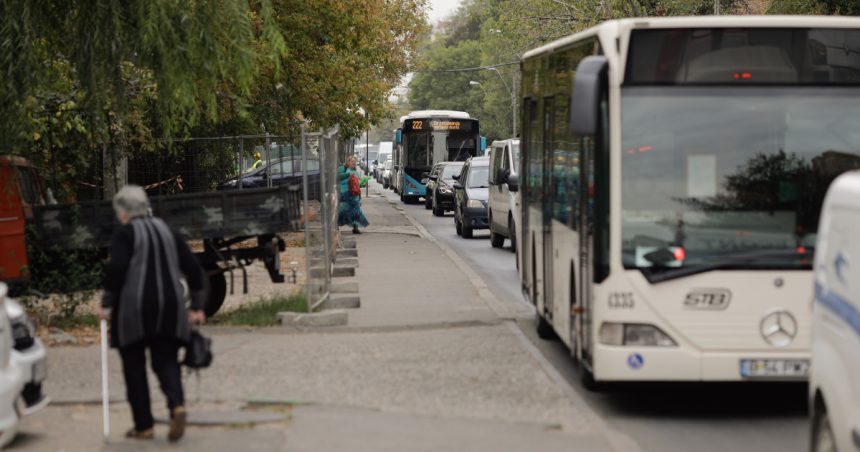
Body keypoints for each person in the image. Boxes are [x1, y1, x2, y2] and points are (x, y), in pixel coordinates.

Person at [99, 185, 207, 442]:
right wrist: (198, 307)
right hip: (170, 308)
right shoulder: (168, 230)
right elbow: (193, 269)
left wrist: (106, 303)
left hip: (134, 310)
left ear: (123, 212)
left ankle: (144, 426)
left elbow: (117, 269)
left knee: (134, 366)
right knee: (166, 360)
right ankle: (176, 405)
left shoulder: (125, 234)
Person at [337, 156, 369, 234]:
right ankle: (336, 225)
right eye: (352, 161)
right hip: (345, 194)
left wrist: (364, 183)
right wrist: (347, 175)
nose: (354, 163)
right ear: (348, 162)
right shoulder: (343, 168)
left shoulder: (355, 172)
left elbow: (357, 184)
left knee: (356, 211)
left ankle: (355, 228)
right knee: (343, 211)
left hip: (354, 195)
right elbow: (338, 177)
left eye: (355, 161)